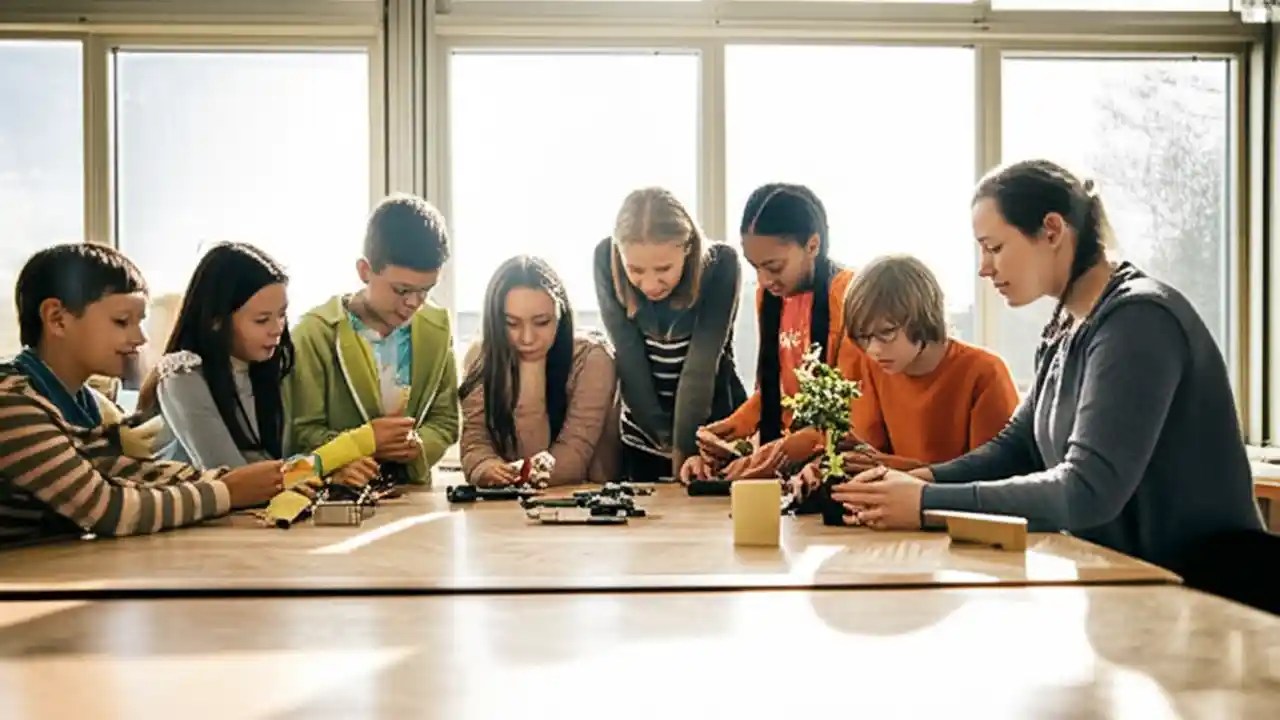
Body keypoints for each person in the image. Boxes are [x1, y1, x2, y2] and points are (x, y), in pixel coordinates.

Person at [830, 159, 1265, 575]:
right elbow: (1017, 450)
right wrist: (914, 480)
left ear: (1052, 230)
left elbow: (1088, 490)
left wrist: (927, 501)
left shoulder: (1139, 320)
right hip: (1126, 584)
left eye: (994, 247)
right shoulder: (1064, 328)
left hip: (1205, 591)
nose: (984, 268)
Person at [1, 243, 284, 546]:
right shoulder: (12, 403)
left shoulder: (82, 404)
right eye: (122, 322)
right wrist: (228, 491)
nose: (139, 338)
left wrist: (231, 479)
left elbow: (130, 473)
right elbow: (106, 508)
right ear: (57, 318)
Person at [136, 243, 378, 487]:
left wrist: (330, 469)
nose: (277, 329)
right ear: (216, 321)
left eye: (281, 315)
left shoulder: (268, 365)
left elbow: (274, 460)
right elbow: (234, 476)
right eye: (262, 320)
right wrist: (321, 470)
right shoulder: (183, 376)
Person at [680, 183, 862, 482]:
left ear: (813, 245)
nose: (764, 280)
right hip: (782, 453)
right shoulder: (769, 297)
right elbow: (774, 392)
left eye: (774, 267)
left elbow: (849, 412)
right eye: (755, 268)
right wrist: (728, 432)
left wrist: (773, 455)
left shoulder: (847, 294)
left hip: (828, 459)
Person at [287, 193, 461, 487]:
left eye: (426, 290)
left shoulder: (437, 329)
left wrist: (417, 447)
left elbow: (445, 422)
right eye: (402, 290)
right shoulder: (315, 333)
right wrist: (364, 444)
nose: (414, 303)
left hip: (411, 499)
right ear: (364, 271)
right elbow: (300, 432)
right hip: (332, 498)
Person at [594, 187, 745, 481]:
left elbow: (700, 367)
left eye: (663, 268)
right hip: (643, 435)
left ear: (688, 248)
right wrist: (660, 435)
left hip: (710, 434)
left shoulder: (720, 265)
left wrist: (685, 451)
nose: (649, 284)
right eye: (635, 270)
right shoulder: (604, 259)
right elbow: (628, 354)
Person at [840, 253, 1018, 470]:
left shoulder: (985, 373)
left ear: (921, 316)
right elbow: (868, 455)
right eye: (864, 337)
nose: (874, 350)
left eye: (887, 332)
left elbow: (992, 479)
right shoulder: (874, 366)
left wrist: (893, 467)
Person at [461, 256, 619, 486]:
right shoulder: (481, 356)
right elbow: (475, 439)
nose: (527, 338)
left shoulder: (592, 359)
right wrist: (485, 467)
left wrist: (522, 474)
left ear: (560, 314)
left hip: (581, 497)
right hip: (503, 502)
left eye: (542, 322)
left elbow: (576, 451)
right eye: (512, 324)